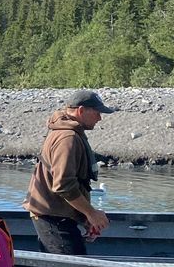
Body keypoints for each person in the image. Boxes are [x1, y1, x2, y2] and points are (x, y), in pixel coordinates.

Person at [23, 89, 116, 255]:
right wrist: (91, 213)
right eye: (97, 112)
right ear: (81, 110)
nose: (100, 118)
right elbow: (64, 185)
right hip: (53, 219)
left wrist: (84, 217)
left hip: (56, 217)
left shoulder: (67, 133)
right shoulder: (68, 138)